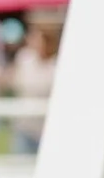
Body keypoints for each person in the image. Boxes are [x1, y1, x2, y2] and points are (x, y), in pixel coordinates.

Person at [6, 11, 64, 154]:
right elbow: (14, 83)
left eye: (35, 36)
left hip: (48, 127)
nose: (30, 39)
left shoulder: (57, 65)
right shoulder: (24, 59)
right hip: (24, 126)